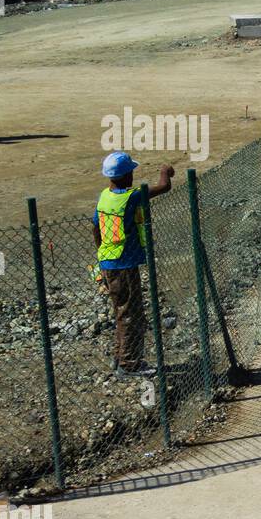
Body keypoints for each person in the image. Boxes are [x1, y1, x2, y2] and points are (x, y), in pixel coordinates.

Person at [92, 152, 175, 379]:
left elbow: (95, 228)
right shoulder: (130, 197)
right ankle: (130, 364)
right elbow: (163, 187)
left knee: (121, 312)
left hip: (108, 261)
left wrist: (101, 254)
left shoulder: (104, 197)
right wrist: (165, 172)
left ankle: (120, 357)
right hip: (124, 263)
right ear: (127, 175)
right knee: (131, 313)